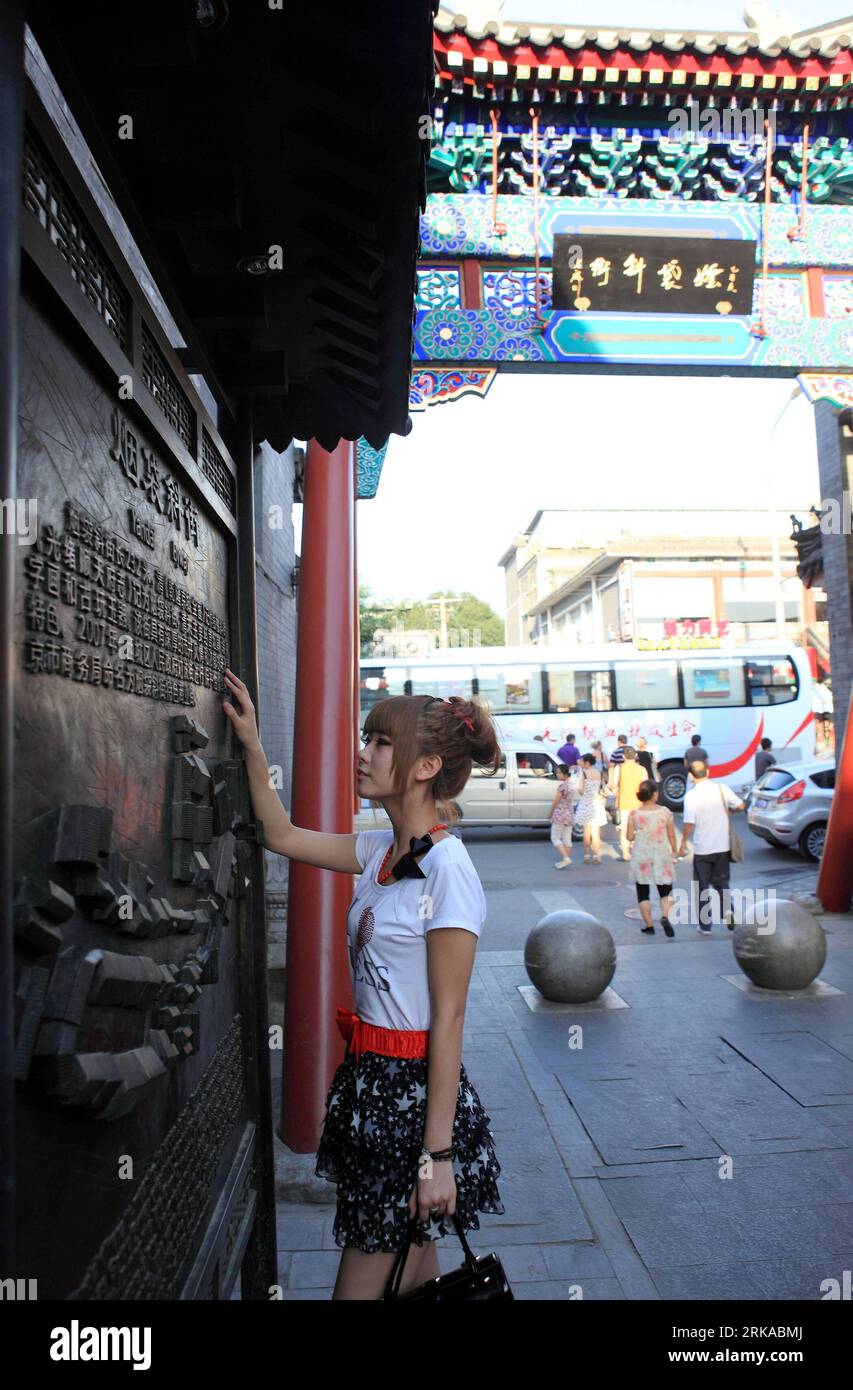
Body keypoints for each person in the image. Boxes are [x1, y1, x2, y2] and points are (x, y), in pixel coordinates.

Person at [222, 668, 505, 1300]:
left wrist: (437, 1158)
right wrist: (252, 745)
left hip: (410, 1106)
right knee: (412, 1282)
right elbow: (283, 836)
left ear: (426, 765)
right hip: (370, 1086)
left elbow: (449, 1019)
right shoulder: (380, 851)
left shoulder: (448, 871)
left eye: (380, 743)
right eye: (368, 738)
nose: (364, 752)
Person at [678, 760, 745, 931]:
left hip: (702, 848)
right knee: (722, 883)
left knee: (702, 887)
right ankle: (728, 910)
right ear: (708, 773)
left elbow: (689, 824)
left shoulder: (691, 796)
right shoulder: (722, 788)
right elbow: (741, 805)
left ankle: (705, 926)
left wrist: (683, 843)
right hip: (723, 846)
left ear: (691, 776)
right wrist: (731, 810)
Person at [626, 780, 678, 937]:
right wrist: (674, 851)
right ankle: (665, 917)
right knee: (666, 891)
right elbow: (671, 834)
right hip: (661, 854)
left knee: (643, 891)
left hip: (641, 855)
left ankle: (649, 926)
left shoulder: (634, 814)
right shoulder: (665, 812)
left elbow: (629, 836)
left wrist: (639, 832)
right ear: (655, 794)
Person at [613, 746, 645, 861]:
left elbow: (614, 785)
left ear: (623, 757)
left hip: (624, 803)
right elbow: (645, 787)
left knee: (624, 830)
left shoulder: (619, 768)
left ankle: (626, 854)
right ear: (636, 756)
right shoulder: (642, 769)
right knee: (639, 830)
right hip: (639, 804)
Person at [575, 752, 608, 864]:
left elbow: (580, 789)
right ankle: (597, 856)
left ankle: (586, 856)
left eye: (582, 761)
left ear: (587, 762)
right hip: (597, 804)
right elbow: (602, 788)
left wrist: (585, 794)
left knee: (586, 832)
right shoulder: (599, 773)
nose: (581, 763)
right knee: (596, 833)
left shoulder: (583, 774)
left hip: (586, 804)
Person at [548, 763, 574, 868]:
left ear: (565, 774)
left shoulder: (562, 786)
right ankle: (565, 860)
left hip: (560, 814)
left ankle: (566, 858)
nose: (557, 774)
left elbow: (556, 801)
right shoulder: (571, 785)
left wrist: (550, 812)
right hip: (569, 813)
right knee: (567, 838)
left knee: (555, 837)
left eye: (559, 772)